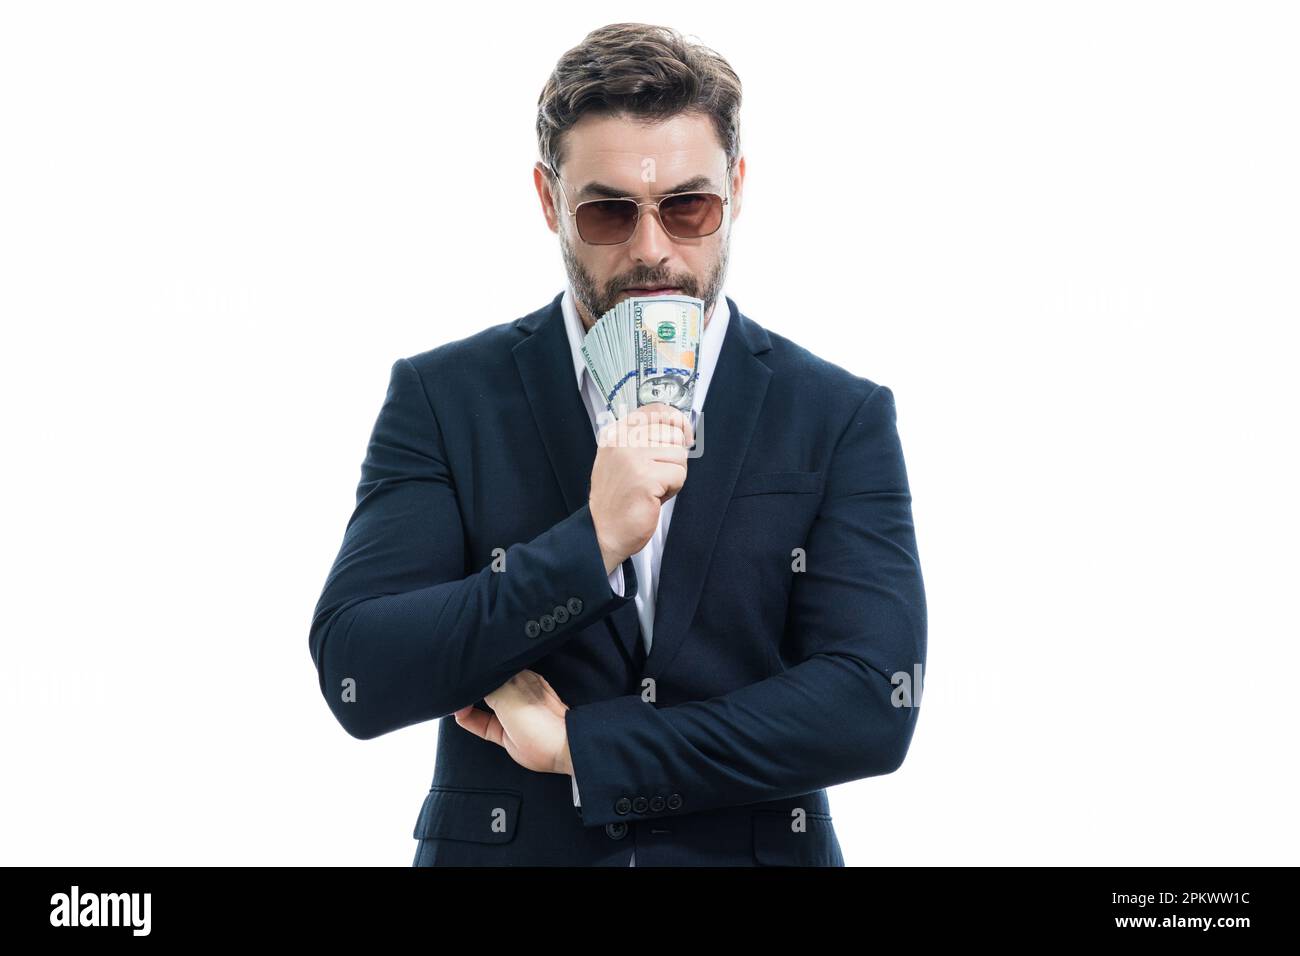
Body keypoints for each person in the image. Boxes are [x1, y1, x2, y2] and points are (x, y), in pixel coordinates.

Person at [308, 21, 927, 867]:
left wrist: (585, 749)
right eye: (607, 212)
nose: (651, 250)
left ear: (737, 190)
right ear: (548, 200)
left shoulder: (837, 414)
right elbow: (361, 670)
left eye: (688, 206)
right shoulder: (445, 396)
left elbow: (870, 707)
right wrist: (589, 542)